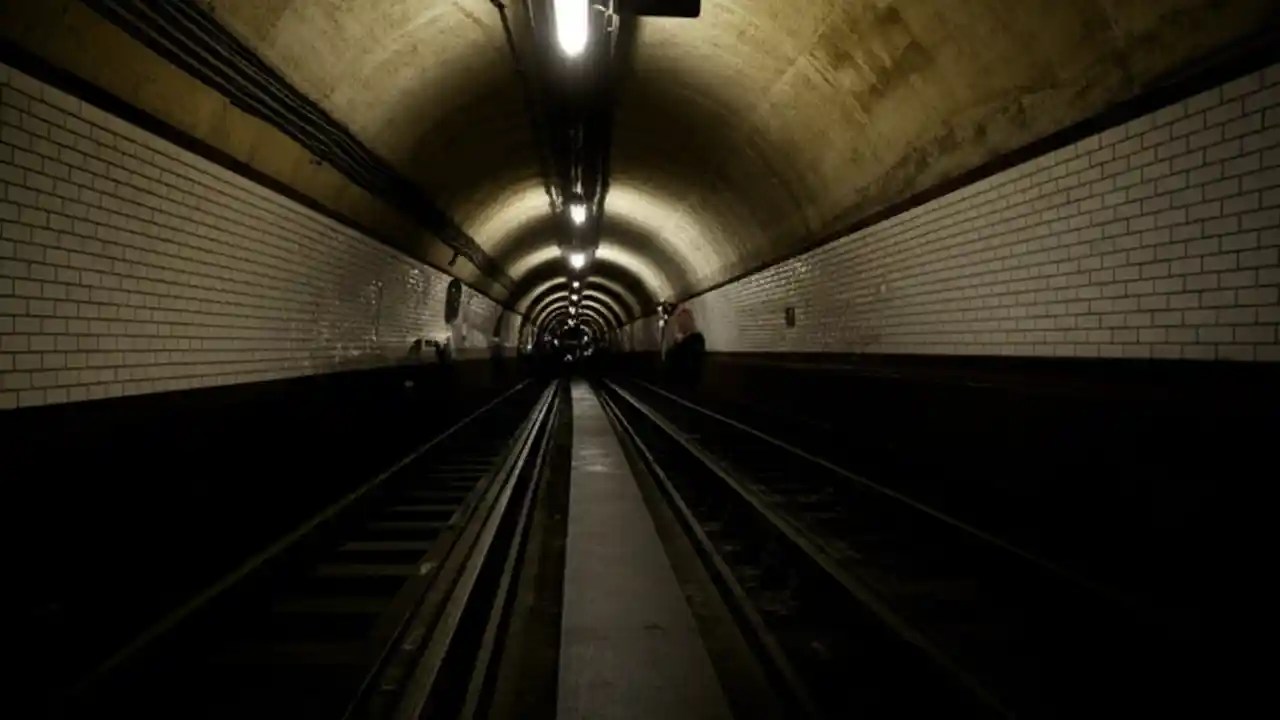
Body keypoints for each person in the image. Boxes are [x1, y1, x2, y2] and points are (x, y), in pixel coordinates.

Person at [664, 305, 705, 389]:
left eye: (683, 320)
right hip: (677, 381)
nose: (680, 323)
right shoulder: (679, 339)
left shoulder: (696, 338)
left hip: (689, 381)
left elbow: (691, 357)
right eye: (679, 320)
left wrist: (681, 343)